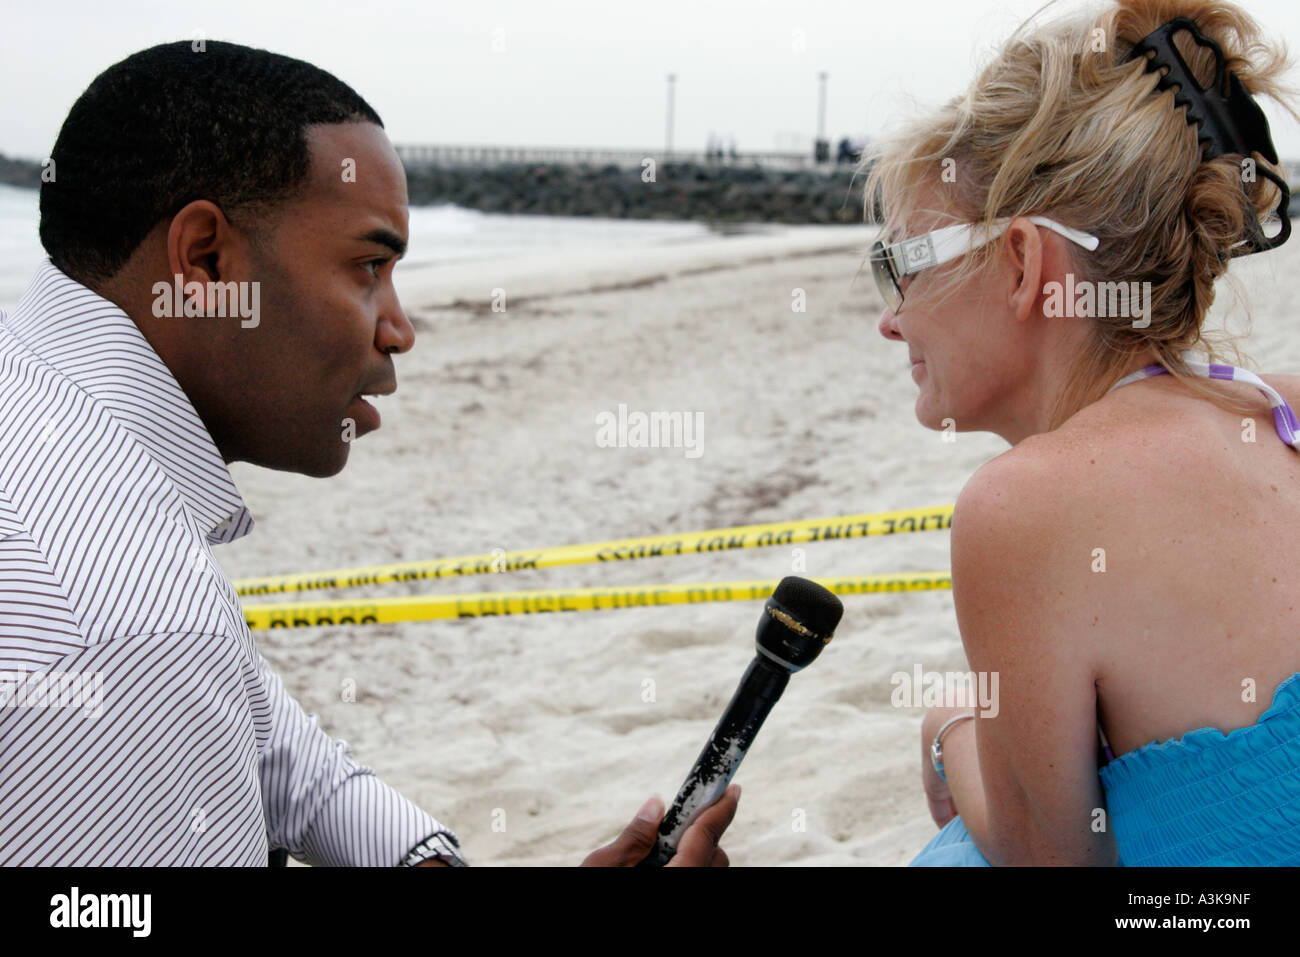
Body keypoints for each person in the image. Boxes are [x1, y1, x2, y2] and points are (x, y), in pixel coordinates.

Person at [0, 40, 739, 867]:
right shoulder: (116, 614)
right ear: (205, 260)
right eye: (368, 266)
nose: (400, 328)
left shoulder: (46, 410)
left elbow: (278, 751)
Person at [865, 0, 1299, 865]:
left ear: (1024, 262)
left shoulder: (1024, 506)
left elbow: (1050, 862)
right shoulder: (1280, 415)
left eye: (900, 266)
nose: (892, 321)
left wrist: (950, 727)